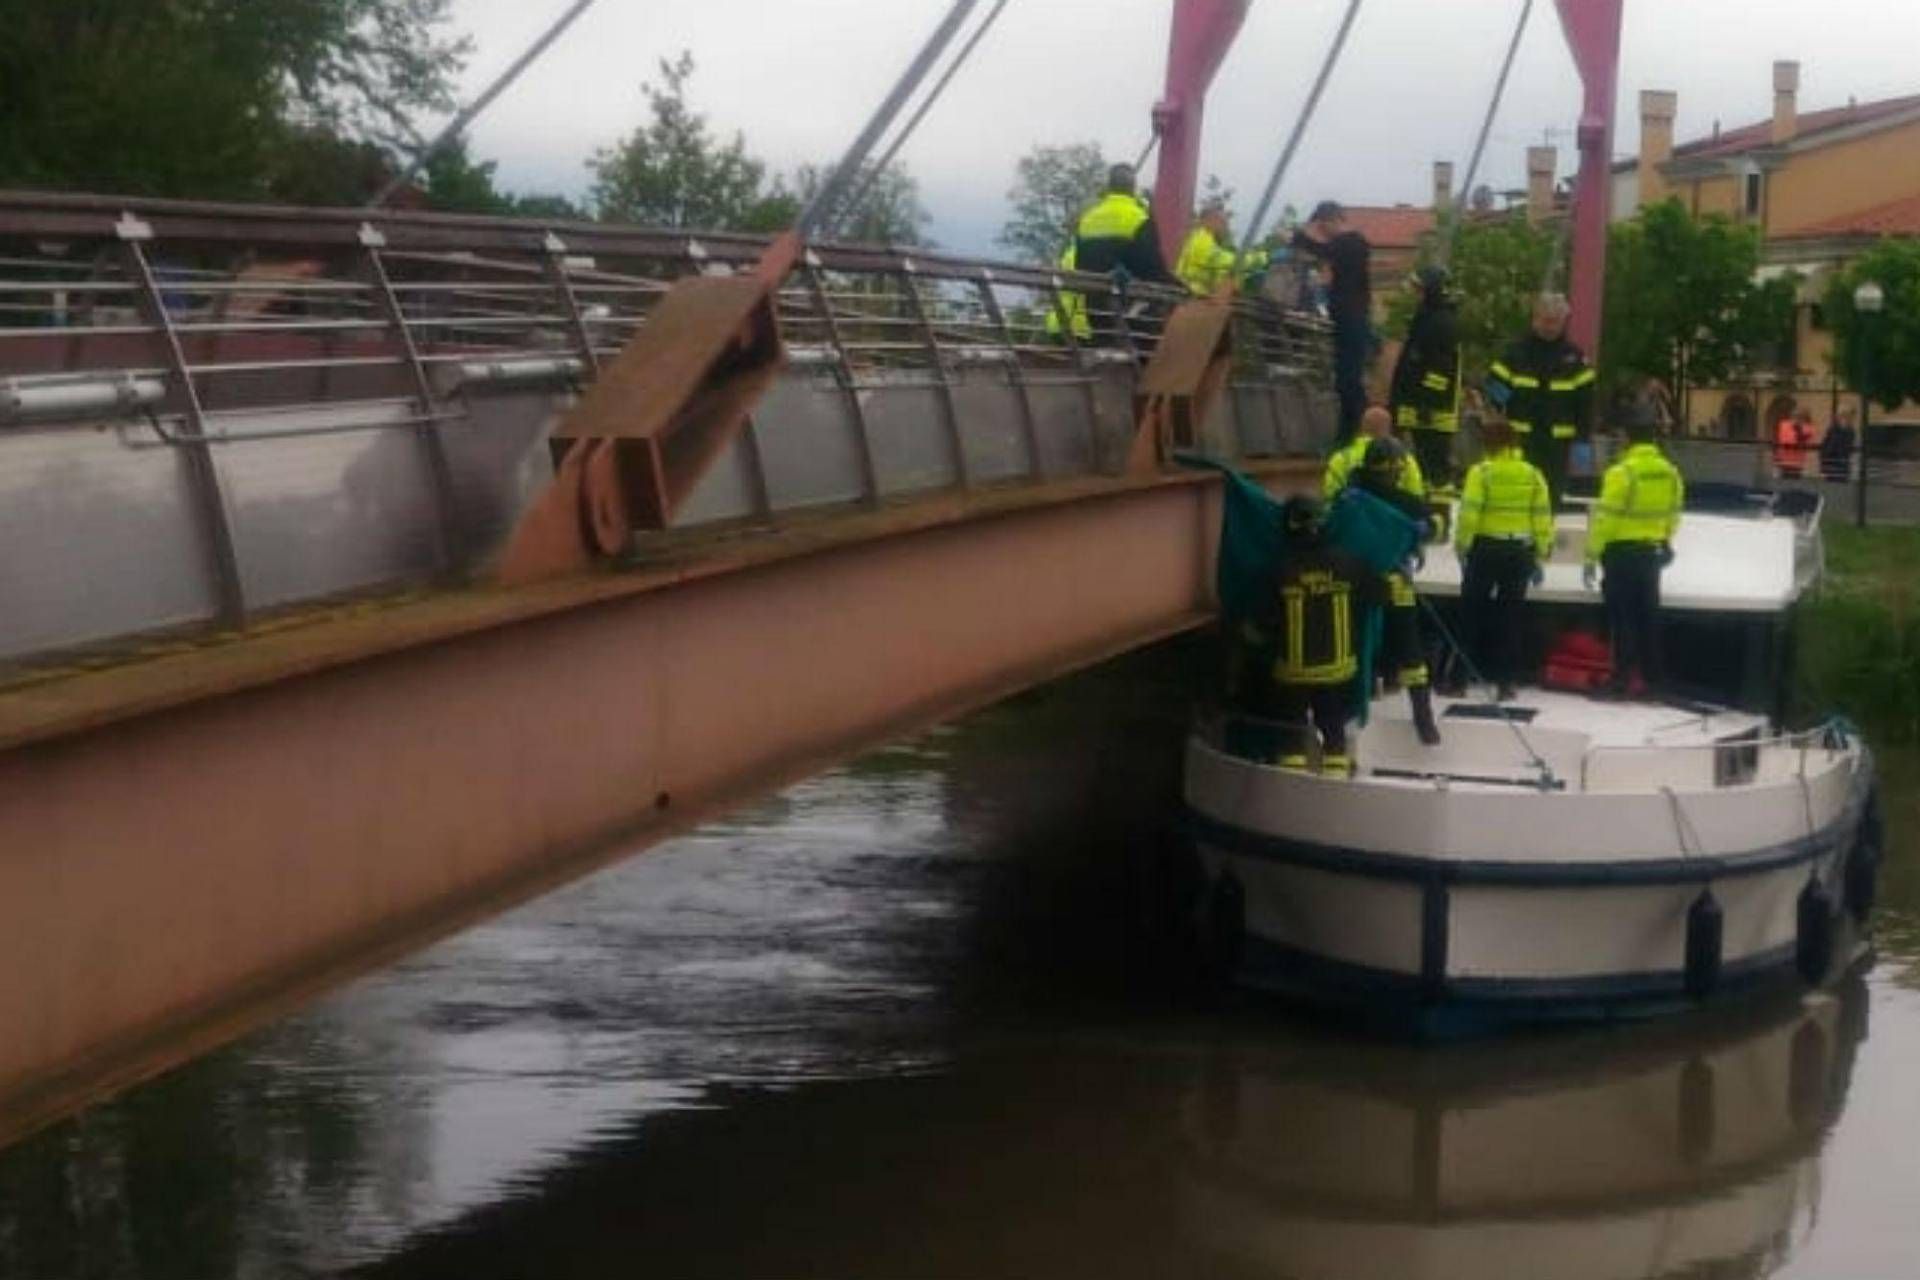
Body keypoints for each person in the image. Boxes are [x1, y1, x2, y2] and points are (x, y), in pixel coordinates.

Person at [1254, 495, 1384, 773]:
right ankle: (1336, 774)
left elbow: (1262, 624)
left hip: (1292, 673)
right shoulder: (1349, 564)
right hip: (1337, 672)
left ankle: (1292, 778)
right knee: (1333, 726)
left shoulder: (1276, 570)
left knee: (1291, 730)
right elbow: (1378, 595)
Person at [1585, 401, 1685, 697]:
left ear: (1627, 438)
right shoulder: (1669, 472)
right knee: (1648, 615)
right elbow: (1674, 510)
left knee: (1623, 618)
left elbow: (1606, 518)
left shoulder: (1622, 472)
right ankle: (1654, 682)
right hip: (1651, 553)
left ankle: (1620, 680)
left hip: (1620, 553)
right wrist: (1665, 540)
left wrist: (1591, 555)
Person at [1347, 438, 1443, 745]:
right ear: (1395, 470)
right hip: (1396, 584)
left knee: (1356, 644)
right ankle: (1423, 719)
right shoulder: (1404, 502)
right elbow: (1437, 523)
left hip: (1356, 586)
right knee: (1410, 651)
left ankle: (1352, 708)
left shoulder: (1349, 498)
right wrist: (1425, 531)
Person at [1453, 416, 1554, 700]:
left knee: (1470, 615)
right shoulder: (1532, 473)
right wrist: (1541, 551)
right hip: (1519, 551)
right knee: (1511, 618)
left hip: (1485, 549)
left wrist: (1462, 545)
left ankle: (1459, 679)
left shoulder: (1481, 473)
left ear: (1488, 444)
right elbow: (1542, 515)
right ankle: (1506, 683)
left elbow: (1470, 513)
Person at [1486, 293, 1594, 509]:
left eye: (1556, 321)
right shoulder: (1516, 353)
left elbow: (1585, 401)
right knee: (1518, 496)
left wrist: (1583, 440)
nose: (1550, 327)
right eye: (1545, 320)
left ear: (1564, 322)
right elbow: (1494, 385)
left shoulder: (1573, 357)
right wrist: (1499, 416)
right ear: (1535, 319)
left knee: (1550, 499)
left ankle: (1545, 539)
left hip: (1557, 445)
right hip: (1520, 440)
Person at [1048, 164, 1176, 346]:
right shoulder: (1138, 219)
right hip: (1125, 316)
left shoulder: (1088, 219)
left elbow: (1080, 267)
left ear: (1109, 186)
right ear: (1133, 188)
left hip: (1094, 315)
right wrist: (1181, 288)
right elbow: (1153, 271)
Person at [1291, 200, 1373, 443]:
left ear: (1330, 221)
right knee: (1344, 378)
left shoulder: (1353, 242)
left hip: (1353, 318)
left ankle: (1354, 433)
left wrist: (1301, 237)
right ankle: (1351, 431)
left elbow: (1325, 250)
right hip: (1346, 317)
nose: (1323, 235)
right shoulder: (1344, 246)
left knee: (1349, 379)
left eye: (1323, 228)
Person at [1389, 266, 1462, 491]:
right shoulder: (1426, 316)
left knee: (1434, 469)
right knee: (1421, 468)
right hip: (1419, 406)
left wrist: (1425, 403)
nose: (1416, 293)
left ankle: (1437, 513)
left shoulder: (1441, 322)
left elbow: (1441, 370)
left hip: (1432, 412)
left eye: (1420, 289)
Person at [1323, 404, 1426, 501]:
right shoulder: (1405, 459)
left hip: (1352, 517)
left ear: (1361, 428)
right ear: (1389, 429)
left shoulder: (1341, 458)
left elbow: (1330, 495)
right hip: (1391, 517)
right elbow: (1416, 495)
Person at [1175, 200, 1238, 297]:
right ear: (1211, 221)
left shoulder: (1195, 236)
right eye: (1222, 222)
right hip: (1195, 295)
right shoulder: (1205, 241)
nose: (1225, 228)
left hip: (1186, 291)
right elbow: (1219, 262)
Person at [1774, 406, 1814, 480]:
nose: (1796, 419)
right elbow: (1781, 440)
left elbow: (1804, 439)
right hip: (1783, 461)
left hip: (1796, 463)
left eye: (1799, 417)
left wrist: (1798, 428)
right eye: (1795, 417)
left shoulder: (1807, 429)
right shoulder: (1784, 425)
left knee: (1794, 481)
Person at [1821, 405, 1857, 482]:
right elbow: (1826, 444)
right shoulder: (1832, 429)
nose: (1840, 418)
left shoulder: (1849, 430)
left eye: (1843, 416)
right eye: (1839, 416)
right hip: (1831, 462)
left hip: (1841, 464)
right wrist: (1824, 460)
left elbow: (1846, 446)